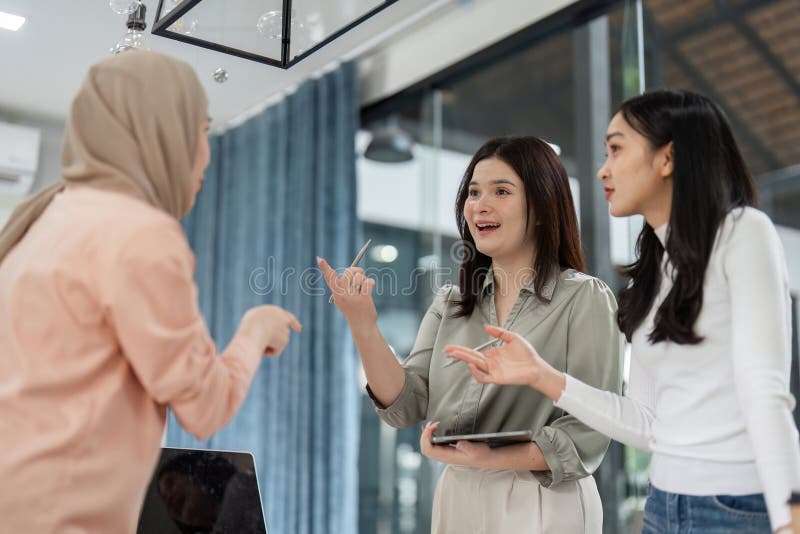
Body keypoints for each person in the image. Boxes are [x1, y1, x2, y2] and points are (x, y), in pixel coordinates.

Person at [445, 90, 800, 534]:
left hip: (735, 505)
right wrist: (542, 377)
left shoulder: (744, 232)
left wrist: (791, 513)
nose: (603, 169)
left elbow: (765, 392)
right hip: (663, 506)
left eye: (616, 149)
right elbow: (648, 423)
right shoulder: (653, 271)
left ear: (667, 158)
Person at [0, 51, 301, 533]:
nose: (207, 153)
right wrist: (254, 331)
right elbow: (205, 406)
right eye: (201, 130)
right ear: (162, 130)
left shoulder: (45, 220)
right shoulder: (140, 234)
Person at [318, 136, 623, 533]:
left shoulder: (584, 298)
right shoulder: (450, 302)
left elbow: (590, 429)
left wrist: (489, 458)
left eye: (501, 191)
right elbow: (405, 404)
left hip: (543, 497)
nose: (480, 204)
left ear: (543, 207)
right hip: (458, 493)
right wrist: (363, 324)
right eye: (474, 192)